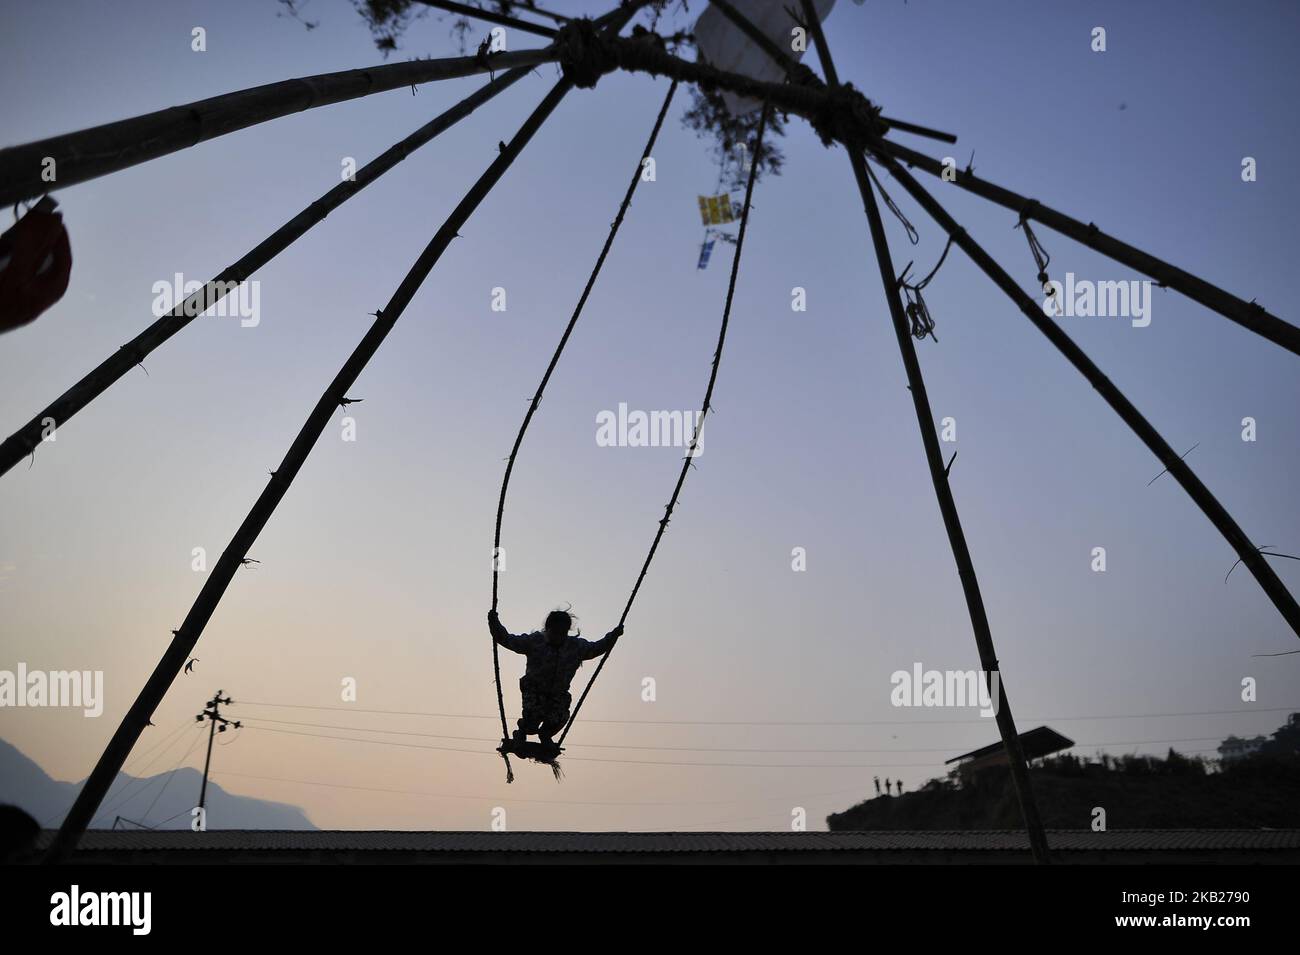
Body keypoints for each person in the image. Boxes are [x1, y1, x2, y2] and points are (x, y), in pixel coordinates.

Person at [488, 608, 622, 750]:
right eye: (555, 632)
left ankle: (545, 735)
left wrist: (613, 636)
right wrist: (494, 623)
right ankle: (521, 733)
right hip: (534, 689)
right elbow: (507, 639)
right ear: (548, 629)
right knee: (533, 718)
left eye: (562, 632)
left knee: (560, 716)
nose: (558, 636)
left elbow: (597, 648)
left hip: (558, 694)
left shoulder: (575, 647)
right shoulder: (535, 642)